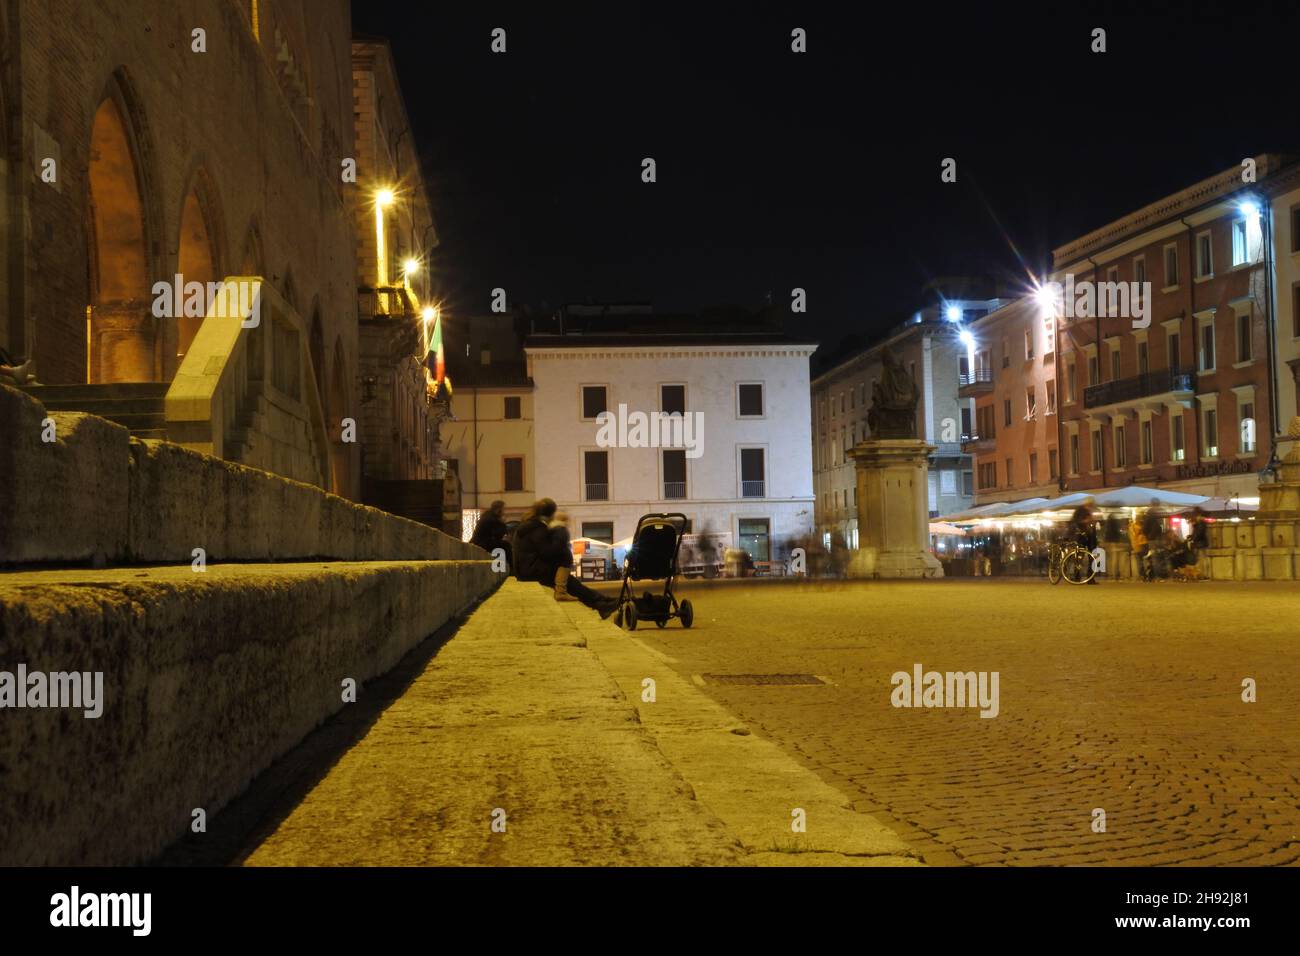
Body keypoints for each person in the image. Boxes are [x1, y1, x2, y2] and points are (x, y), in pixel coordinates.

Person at [513, 498, 618, 618]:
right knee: (569, 581)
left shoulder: (530, 525)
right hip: (532, 570)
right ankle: (601, 602)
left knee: (570, 582)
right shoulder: (537, 528)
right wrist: (560, 531)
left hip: (527, 568)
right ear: (551, 514)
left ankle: (601, 603)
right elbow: (549, 551)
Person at [548, 510, 577, 601]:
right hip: (563, 560)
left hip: (560, 559)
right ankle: (561, 593)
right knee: (561, 577)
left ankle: (561, 592)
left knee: (561, 578)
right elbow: (559, 545)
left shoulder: (554, 528)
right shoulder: (561, 530)